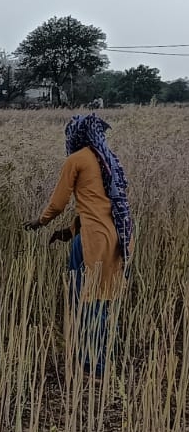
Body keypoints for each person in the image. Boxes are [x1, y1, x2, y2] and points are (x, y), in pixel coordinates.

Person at [25, 114, 133, 376]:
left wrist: (40, 222)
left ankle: (91, 363)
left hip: (91, 241)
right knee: (104, 299)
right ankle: (106, 359)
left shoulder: (76, 160)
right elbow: (100, 205)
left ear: (75, 135)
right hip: (115, 238)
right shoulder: (107, 159)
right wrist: (69, 231)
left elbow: (59, 202)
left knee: (86, 300)